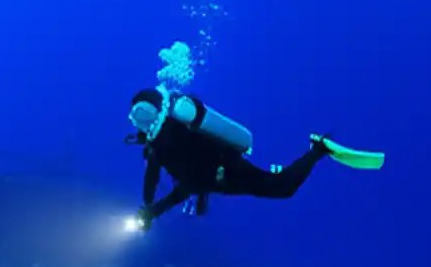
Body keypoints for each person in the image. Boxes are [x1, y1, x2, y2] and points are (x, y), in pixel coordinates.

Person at [124, 87, 383, 230]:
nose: (141, 122)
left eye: (142, 114)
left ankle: (318, 149)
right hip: (219, 179)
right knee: (279, 185)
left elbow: (191, 179)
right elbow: (155, 176)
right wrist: (148, 210)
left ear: (156, 110)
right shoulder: (158, 145)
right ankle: (306, 156)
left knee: (283, 188)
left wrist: (154, 211)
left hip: (227, 171)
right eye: (136, 118)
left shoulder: (173, 136)